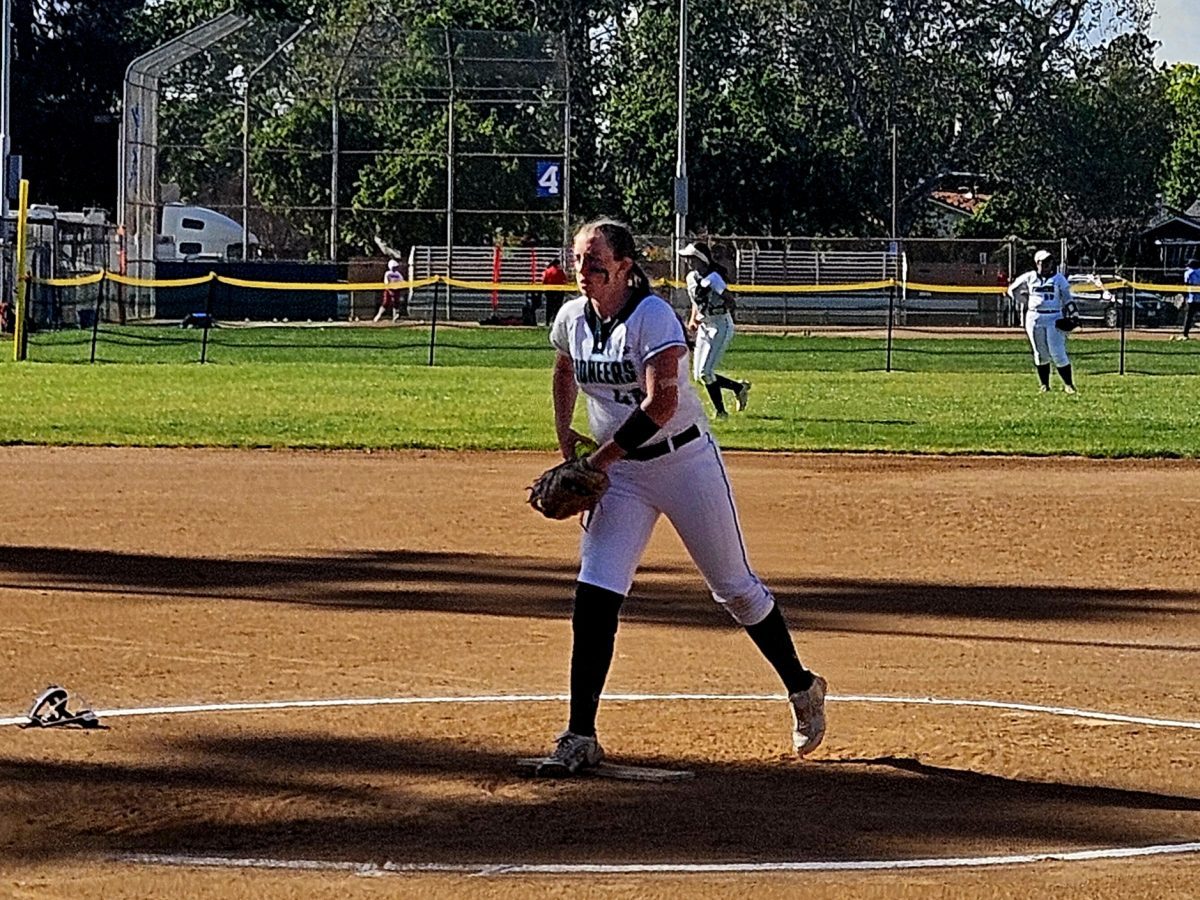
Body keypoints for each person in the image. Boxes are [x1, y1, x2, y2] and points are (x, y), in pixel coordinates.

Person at [537, 217, 826, 775]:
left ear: (624, 266)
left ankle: (802, 686)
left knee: (735, 589)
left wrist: (594, 463)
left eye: (595, 263)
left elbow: (661, 405)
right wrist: (564, 433)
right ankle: (580, 734)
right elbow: (564, 367)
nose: (583, 271)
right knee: (595, 595)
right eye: (578, 261)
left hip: (684, 464)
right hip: (621, 476)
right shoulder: (572, 317)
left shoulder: (652, 317)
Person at [679, 241, 751, 418]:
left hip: (720, 325)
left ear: (700, 259)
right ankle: (738, 388)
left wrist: (717, 309)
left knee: (706, 372)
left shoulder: (714, 278)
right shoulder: (691, 278)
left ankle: (721, 412)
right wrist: (694, 318)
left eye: (691, 258)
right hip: (705, 326)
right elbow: (696, 301)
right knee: (699, 375)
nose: (688, 261)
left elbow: (730, 300)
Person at [1007, 249, 1078, 394]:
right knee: (1040, 353)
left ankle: (1069, 385)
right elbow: (1012, 290)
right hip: (1034, 317)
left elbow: (1067, 298)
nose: (1046, 265)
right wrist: (1025, 301)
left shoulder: (1058, 279)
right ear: (1037, 263)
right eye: (1043, 262)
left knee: (1057, 351)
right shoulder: (1030, 277)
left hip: (1054, 316)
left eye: (1048, 262)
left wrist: (1074, 315)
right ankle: (1044, 385)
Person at [1175, 257, 1200, 341]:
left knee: (1189, 317)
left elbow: (1186, 285)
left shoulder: (1188, 273)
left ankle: (1185, 334)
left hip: (1192, 298)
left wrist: (1184, 297)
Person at [541, 257, 569, 326]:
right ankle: (556, 321)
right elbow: (565, 280)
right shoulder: (560, 271)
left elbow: (544, 281)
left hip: (549, 291)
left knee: (549, 306)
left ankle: (547, 321)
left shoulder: (547, 271)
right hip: (559, 291)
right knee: (558, 307)